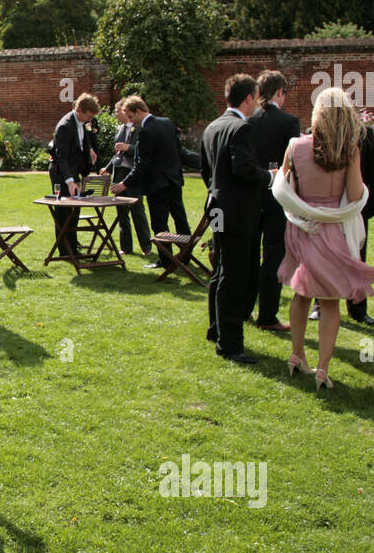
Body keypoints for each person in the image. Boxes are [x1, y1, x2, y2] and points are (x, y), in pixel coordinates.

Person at [274, 88, 374, 389]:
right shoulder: (350, 150)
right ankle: (322, 368)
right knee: (330, 301)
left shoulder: (295, 145)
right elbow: (357, 195)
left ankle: (297, 354)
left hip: (301, 225)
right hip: (331, 230)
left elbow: (283, 187)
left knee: (301, 293)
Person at [200, 74, 271, 364]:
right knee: (233, 274)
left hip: (216, 206)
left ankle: (215, 328)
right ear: (249, 98)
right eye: (257, 97)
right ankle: (229, 343)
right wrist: (270, 177)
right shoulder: (240, 128)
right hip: (236, 211)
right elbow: (243, 168)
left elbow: (207, 171)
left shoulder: (213, 126)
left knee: (221, 269)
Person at [246, 70, 302, 330]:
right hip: (276, 195)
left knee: (248, 254)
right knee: (272, 256)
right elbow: (293, 163)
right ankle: (267, 315)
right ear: (280, 92)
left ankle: (245, 309)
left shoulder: (247, 119)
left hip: (249, 192)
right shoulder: (288, 121)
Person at [118, 95, 188, 267]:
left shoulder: (145, 132)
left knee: (159, 223)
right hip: (174, 181)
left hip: (157, 185)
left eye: (131, 117)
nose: (131, 121)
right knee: (180, 219)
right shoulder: (167, 123)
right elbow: (178, 152)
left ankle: (165, 260)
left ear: (139, 111)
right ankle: (186, 256)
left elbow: (142, 164)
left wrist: (124, 184)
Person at [48, 94, 99, 261]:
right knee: (64, 212)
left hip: (73, 170)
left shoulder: (80, 123)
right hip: (60, 173)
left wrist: (89, 149)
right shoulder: (65, 126)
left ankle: (73, 246)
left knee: (75, 210)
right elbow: (60, 157)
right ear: (79, 110)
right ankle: (65, 251)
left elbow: (82, 139)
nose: (89, 120)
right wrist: (69, 181)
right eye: (88, 116)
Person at [345, 122, 374, 325]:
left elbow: (373, 167)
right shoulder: (317, 131)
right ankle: (320, 304)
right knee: (326, 255)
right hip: (330, 204)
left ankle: (358, 308)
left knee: (359, 254)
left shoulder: (363, 131)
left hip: (358, 204)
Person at [106, 99, 152, 257]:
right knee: (121, 213)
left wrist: (129, 148)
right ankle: (126, 247)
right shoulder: (119, 130)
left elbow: (144, 149)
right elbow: (117, 154)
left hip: (133, 175)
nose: (116, 114)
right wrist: (106, 168)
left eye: (117, 111)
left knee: (137, 210)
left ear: (126, 112)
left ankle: (146, 247)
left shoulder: (139, 128)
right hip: (119, 173)